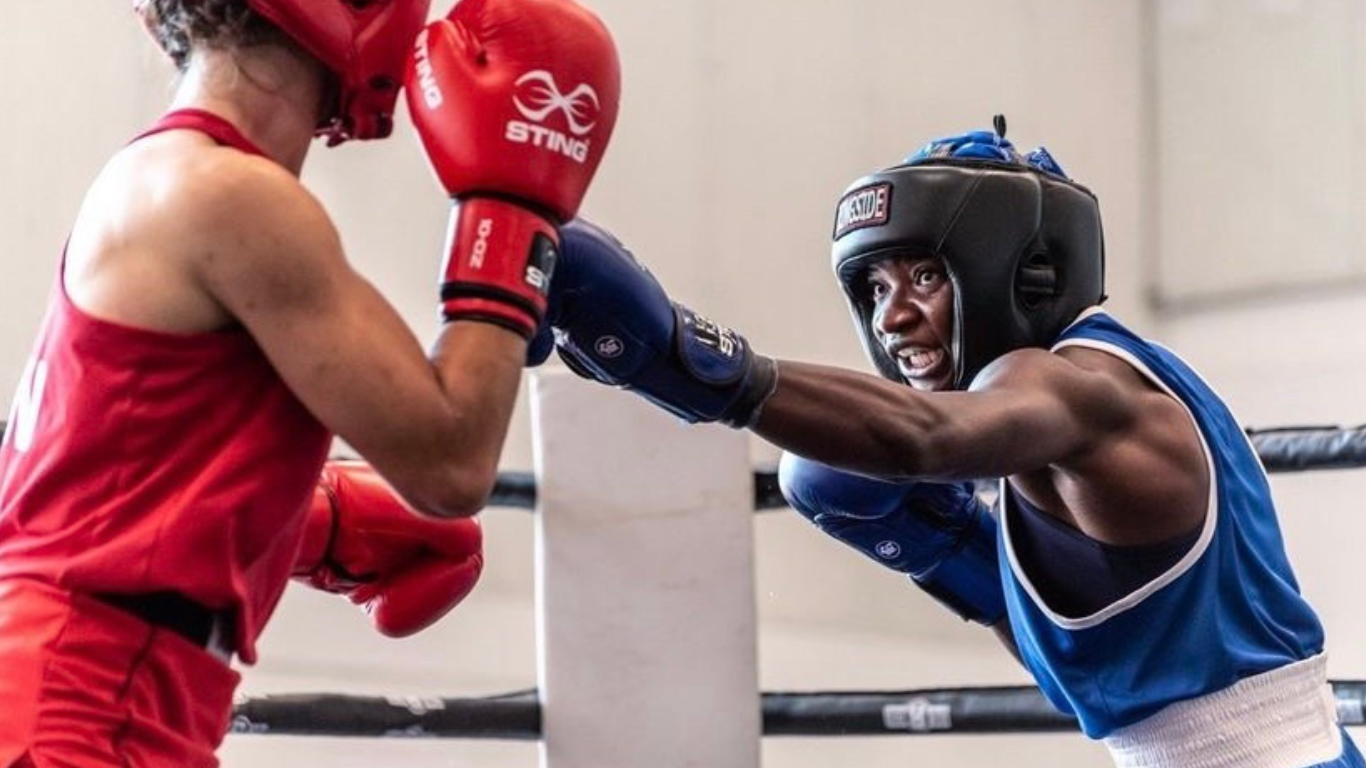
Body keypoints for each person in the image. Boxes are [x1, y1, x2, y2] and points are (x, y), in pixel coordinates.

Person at [532, 120, 1364, 767]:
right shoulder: (1068, 421)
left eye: (924, 276)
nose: (893, 316)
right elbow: (1112, 670)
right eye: (875, 285)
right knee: (832, 476)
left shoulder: (1078, 387)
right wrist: (951, 552)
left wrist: (688, 362)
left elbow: (920, 440)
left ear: (1024, 269)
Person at [0, 0, 619, 765]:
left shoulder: (167, 175)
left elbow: (103, 463)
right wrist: (511, 210)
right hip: (79, 705)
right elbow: (452, 460)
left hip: (100, 694)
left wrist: (302, 520)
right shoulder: (227, 195)